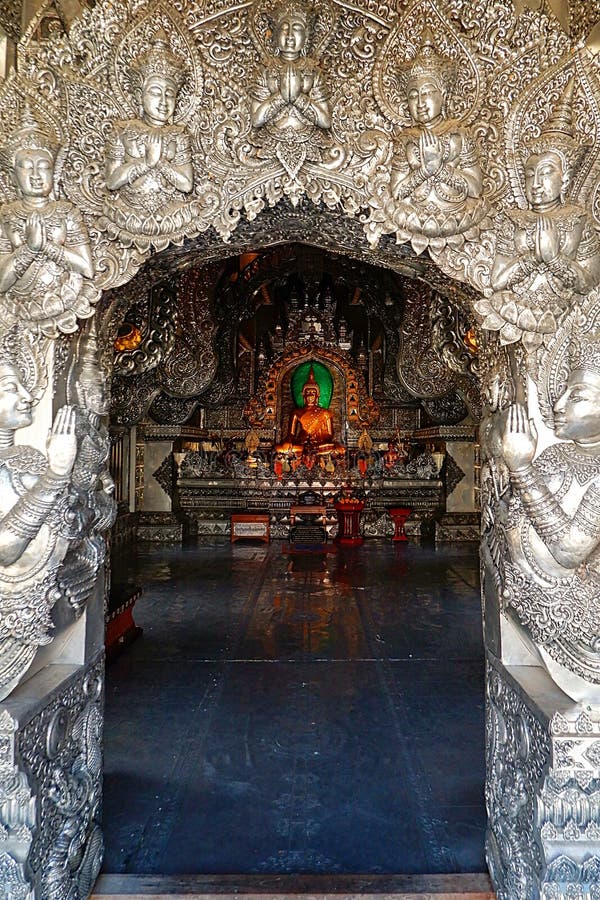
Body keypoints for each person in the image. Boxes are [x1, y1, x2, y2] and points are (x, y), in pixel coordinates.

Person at [499, 334, 600, 694]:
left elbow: (571, 551)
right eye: (562, 393)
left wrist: (521, 467)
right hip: (527, 600)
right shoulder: (555, 456)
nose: (558, 404)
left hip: (575, 616)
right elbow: (513, 508)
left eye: (577, 397)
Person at [480, 78, 600, 349]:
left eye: (546, 173)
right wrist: (534, 257)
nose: (535, 184)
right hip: (515, 311)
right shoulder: (513, 219)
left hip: (567, 318)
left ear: (566, 177)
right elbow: (497, 280)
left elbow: (589, 284)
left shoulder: (579, 220)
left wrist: (555, 260)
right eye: (530, 174)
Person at [0, 330, 77, 696]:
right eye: (12, 387)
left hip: (43, 601)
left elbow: (72, 519)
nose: (29, 396)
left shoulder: (28, 456)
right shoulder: (41, 466)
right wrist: (56, 475)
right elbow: (3, 549)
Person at [0, 106, 96, 337]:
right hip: (18, 306)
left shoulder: (66, 212)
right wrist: (29, 249)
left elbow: (87, 267)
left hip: (64, 297)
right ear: (13, 175)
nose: (35, 175)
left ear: (55, 172)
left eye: (43, 167)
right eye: (27, 167)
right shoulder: (5, 215)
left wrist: (46, 247)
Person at [385, 31, 485, 246]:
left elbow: (476, 189)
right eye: (413, 95)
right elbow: (397, 191)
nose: (420, 102)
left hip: (455, 216)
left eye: (428, 92)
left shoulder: (459, 133)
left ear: (444, 95)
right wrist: (425, 170)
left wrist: (439, 169)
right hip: (413, 217)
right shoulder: (405, 139)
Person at [103, 30, 193, 236]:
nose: (163, 101)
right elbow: (112, 181)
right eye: (155, 92)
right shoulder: (122, 130)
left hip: (172, 215)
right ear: (138, 95)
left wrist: (159, 162)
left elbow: (187, 185)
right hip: (127, 213)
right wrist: (146, 163)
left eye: (169, 94)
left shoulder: (179, 134)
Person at [249, 1, 331, 171]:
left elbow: (325, 121)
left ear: (307, 37)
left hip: (309, 141)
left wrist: (297, 98)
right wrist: (282, 97)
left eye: (297, 29)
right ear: (275, 34)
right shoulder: (266, 72)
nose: (290, 36)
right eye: (284, 29)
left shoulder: (313, 72)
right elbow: (256, 120)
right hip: (270, 140)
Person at [276, 365, 344, 456]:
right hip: (302, 444)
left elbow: (330, 435)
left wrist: (316, 440)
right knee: (281, 448)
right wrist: (289, 441)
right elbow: (291, 435)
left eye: (313, 393)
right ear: (303, 395)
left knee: (339, 449)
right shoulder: (297, 413)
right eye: (308, 393)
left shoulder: (325, 413)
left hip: (320, 445)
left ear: (317, 396)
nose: (310, 395)